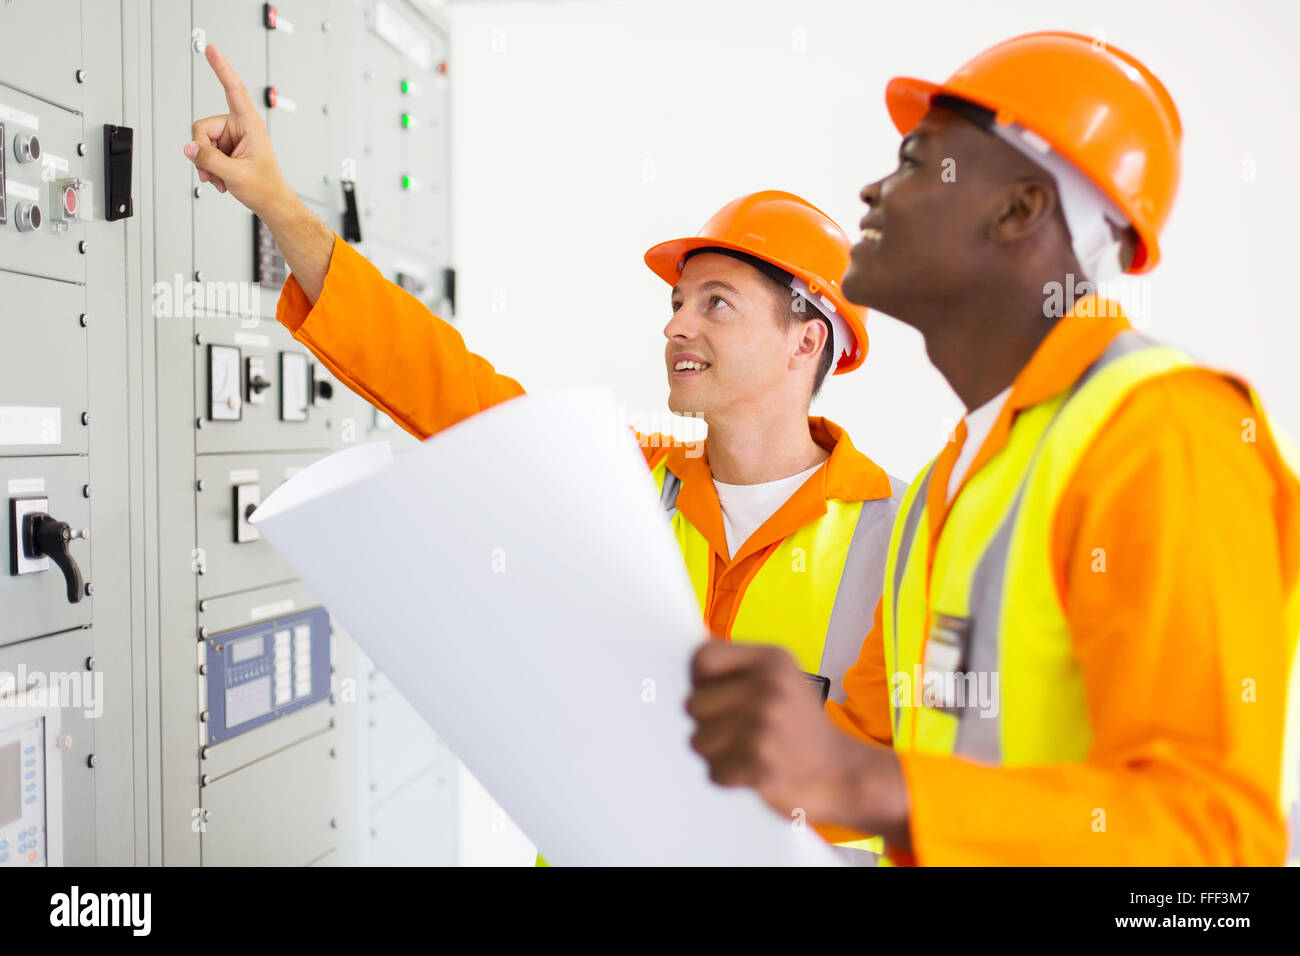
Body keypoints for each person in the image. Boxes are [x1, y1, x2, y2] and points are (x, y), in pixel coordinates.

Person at [183, 44, 904, 862]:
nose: (676, 325)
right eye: (675, 303)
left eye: (717, 303)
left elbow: (911, 790)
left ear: (805, 341)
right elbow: (440, 382)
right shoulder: (626, 484)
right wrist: (279, 204)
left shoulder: (901, 537)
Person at [685, 31, 1300, 865]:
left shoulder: (1164, 434)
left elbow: (1214, 840)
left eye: (915, 160)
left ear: (1019, 209)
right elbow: (863, 749)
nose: (872, 188)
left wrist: (869, 786)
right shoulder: (948, 487)